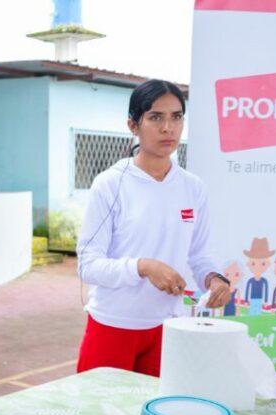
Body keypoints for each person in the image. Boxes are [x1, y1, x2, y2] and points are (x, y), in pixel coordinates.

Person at [75, 79, 231, 377]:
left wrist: (214, 280)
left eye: (176, 117)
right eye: (155, 117)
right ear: (133, 125)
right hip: (113, 325)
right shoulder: (110, 184)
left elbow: (199, 256)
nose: (168, 128)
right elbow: (87, 265)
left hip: (170, 329)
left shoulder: (193, 188)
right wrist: (142, 267)